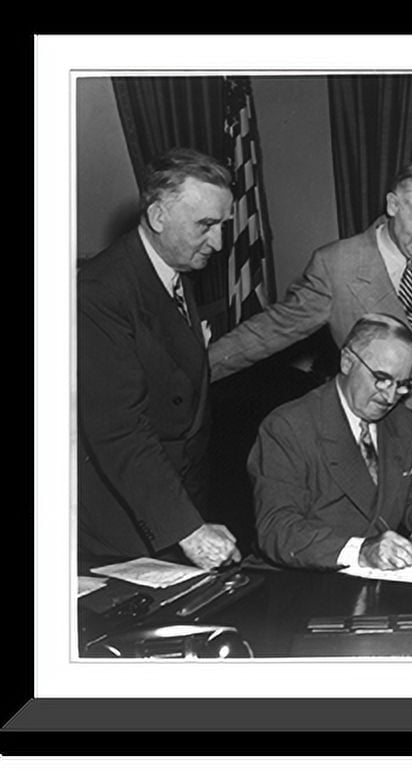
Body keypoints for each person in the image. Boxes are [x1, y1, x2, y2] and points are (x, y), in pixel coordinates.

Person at [208, 160, 412, 543]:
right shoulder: (337, 265)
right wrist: (199, 369)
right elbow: (273, 329)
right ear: (392, 205)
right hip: (370, 458)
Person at [78, 148, 242, 570]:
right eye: (205, 225)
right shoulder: (101, 290)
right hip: (127, 527)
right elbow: (119, 431)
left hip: (177, 510)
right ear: (157, 217)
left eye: (222, 225)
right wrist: (187, 529)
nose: (220, 243)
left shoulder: (173, 268)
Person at [248, 314, 412, 569]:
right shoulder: (289, 427)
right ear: (347, 361)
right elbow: (277, 529)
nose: (390, 397)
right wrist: (362, 551)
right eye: (381, 378)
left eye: (402, 385)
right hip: (305, 578)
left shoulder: (404, 423)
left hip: (380, 578)